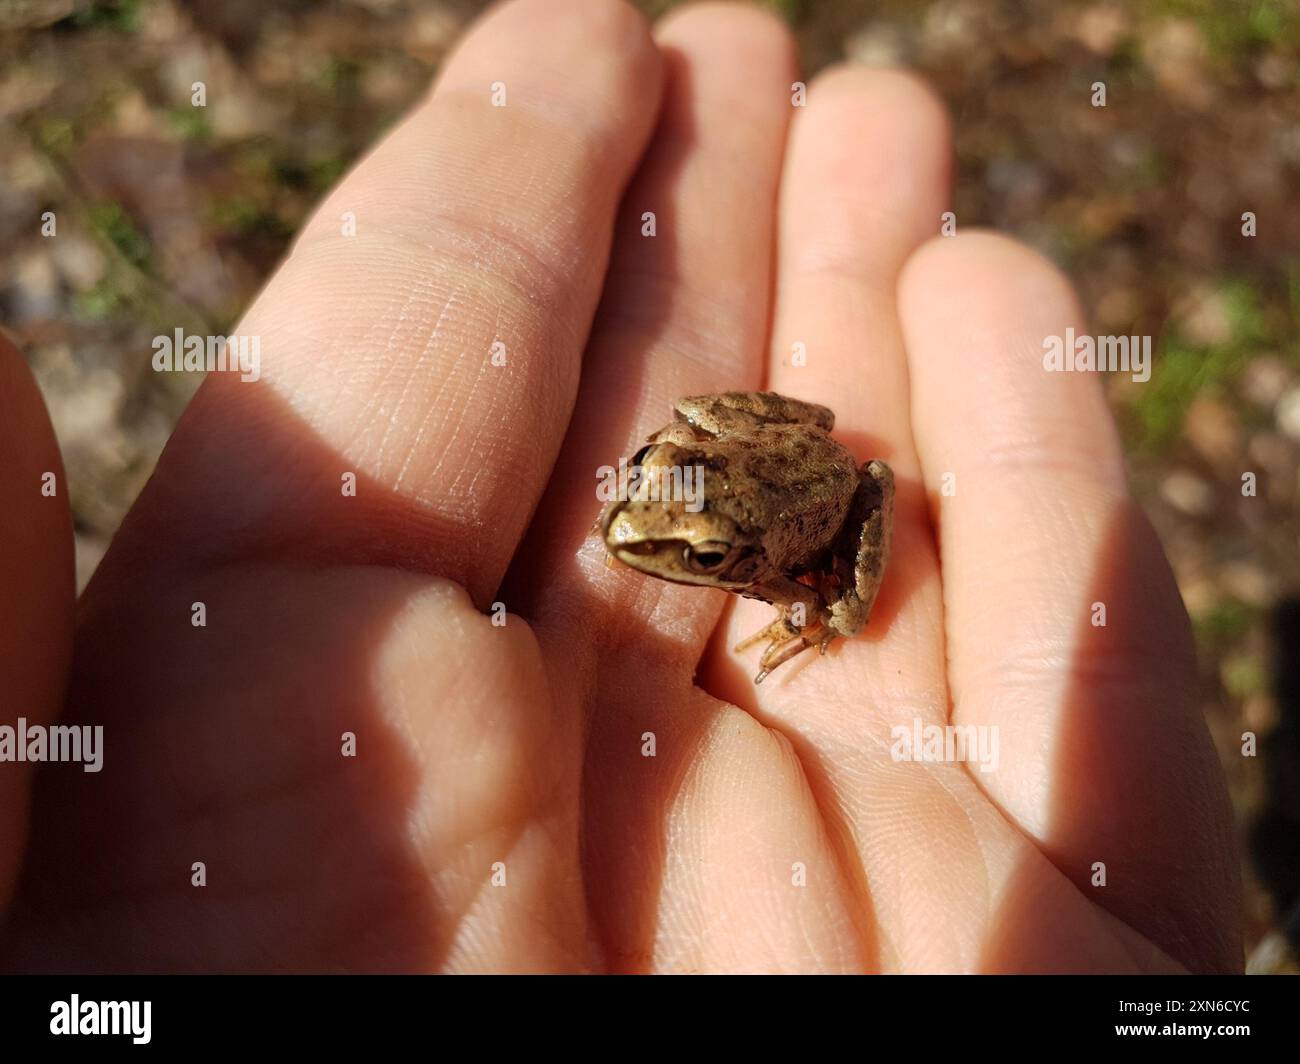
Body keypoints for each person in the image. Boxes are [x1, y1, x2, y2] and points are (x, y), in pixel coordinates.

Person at [0, 0, 1240, 973]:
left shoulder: (772, 547)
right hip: (753, 460)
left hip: (817, 493)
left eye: (680, 553)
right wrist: (680, 465)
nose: (623, 538)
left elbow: (833, 497)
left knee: (849, 609)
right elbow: (683, 474)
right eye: (647, 505)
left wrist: (814, 601)